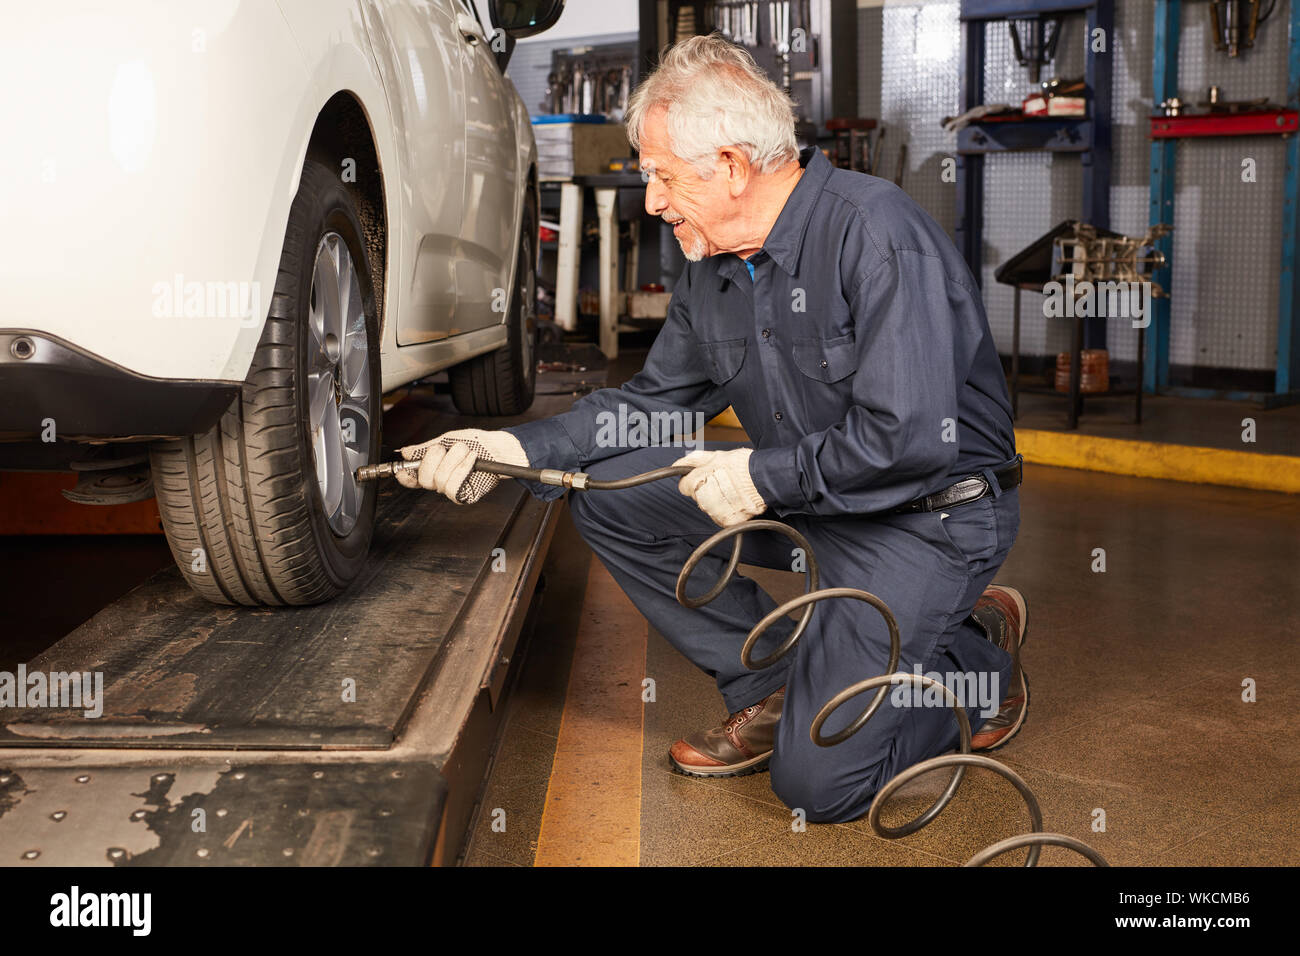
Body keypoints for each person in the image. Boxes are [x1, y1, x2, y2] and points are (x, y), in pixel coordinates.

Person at [397, 34, 1027, 823]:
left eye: (661, 175)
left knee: (817, 789)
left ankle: (977, 660)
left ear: (730, 167)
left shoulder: (876, 235)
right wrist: (512, 448)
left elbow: (910, 440)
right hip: (815, 501)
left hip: (925, 520)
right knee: (611, 493)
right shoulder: (714, 269)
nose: (653, 200)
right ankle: (769, 686)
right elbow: (652, 405)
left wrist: (761, 478)